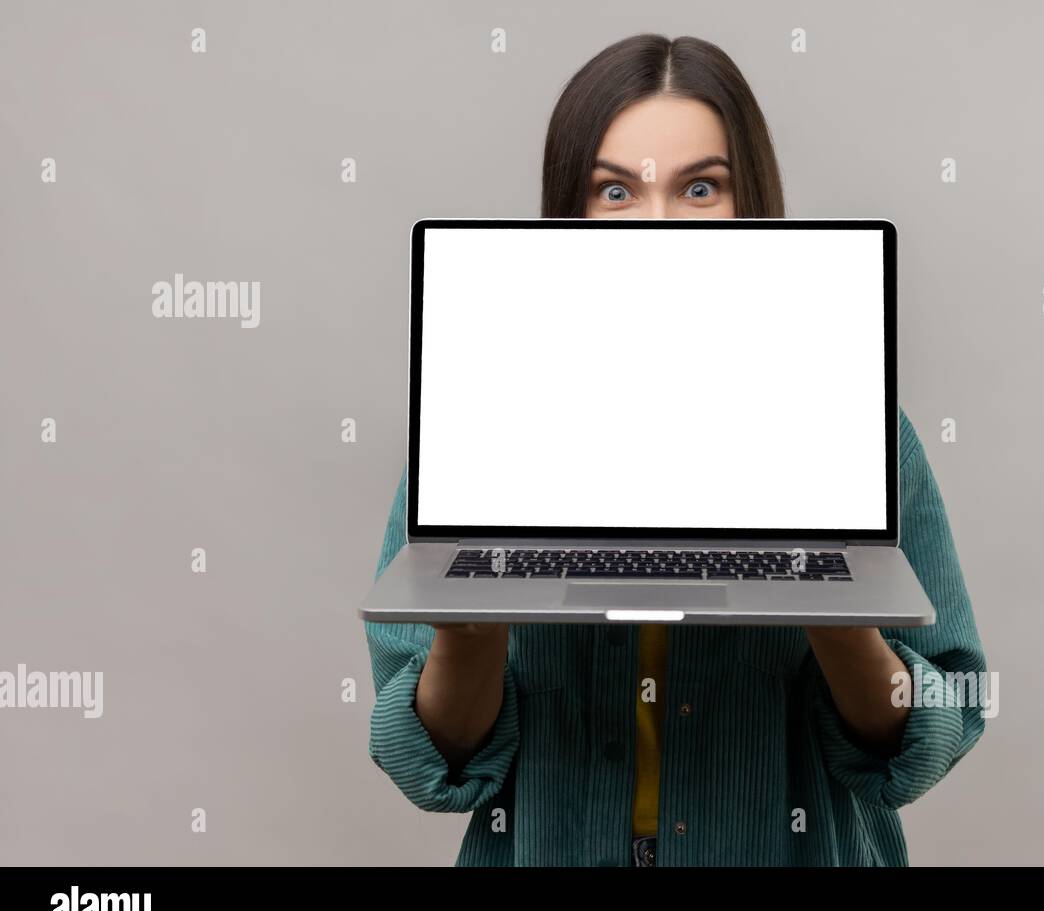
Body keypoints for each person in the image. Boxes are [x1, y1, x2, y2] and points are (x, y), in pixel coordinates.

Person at [364, 33, 986, 867]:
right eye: (615, 191)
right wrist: (469, 630)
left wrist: (838, 613)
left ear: (749, 204)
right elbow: (432, 766)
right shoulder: (473, 431)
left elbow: (928, 733)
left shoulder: (861, 431)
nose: (657, 225)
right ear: (569, 214)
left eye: (700, 186)